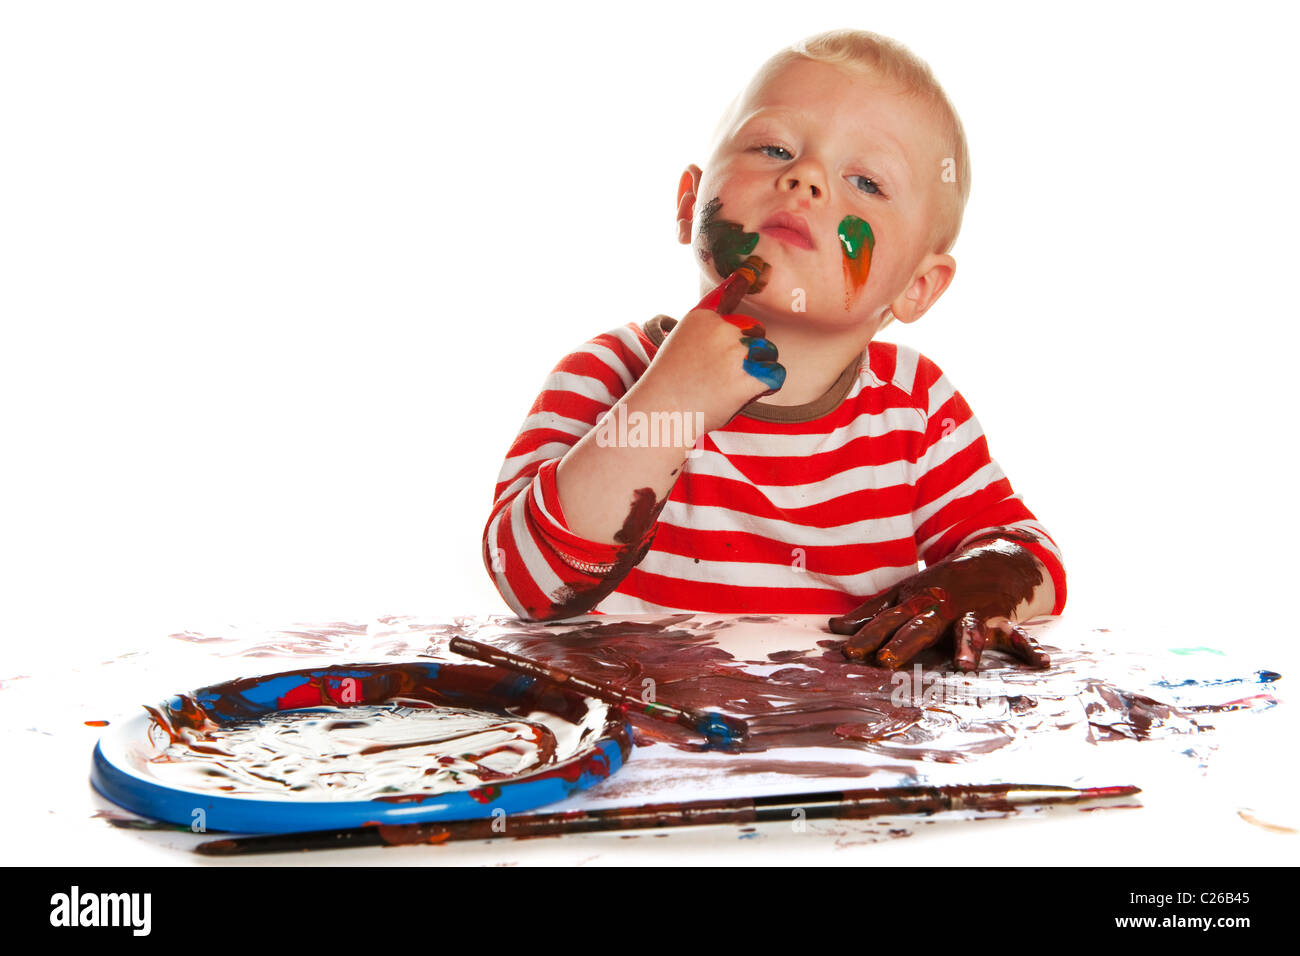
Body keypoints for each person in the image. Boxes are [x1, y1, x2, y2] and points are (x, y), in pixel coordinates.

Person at [482, 29, 1066, 672]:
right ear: (688, 203)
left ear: (917, 288)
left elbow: (1031, 553)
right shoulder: (608, 373)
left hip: (839, 752)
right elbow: (529, 586)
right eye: (774, 147)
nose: (805, 177)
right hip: (645, 745)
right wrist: (672, 398)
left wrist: (970, 586)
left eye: (866, 181)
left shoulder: (915, 409)